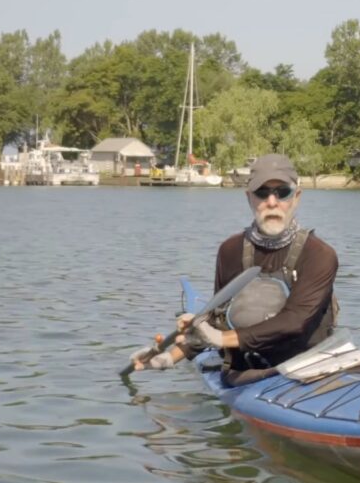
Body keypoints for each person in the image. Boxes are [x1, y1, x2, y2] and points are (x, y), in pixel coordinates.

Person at [134, 153, 339, 376]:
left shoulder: (319, 255)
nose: (272, 202)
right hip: (245, 373)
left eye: (282, 193)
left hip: (307, 369)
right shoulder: (230, 251)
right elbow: (215, 320)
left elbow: (294, 321)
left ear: (296, 197)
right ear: (249, 197)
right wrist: (168, 357)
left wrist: (221, 338)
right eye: (262, 193)